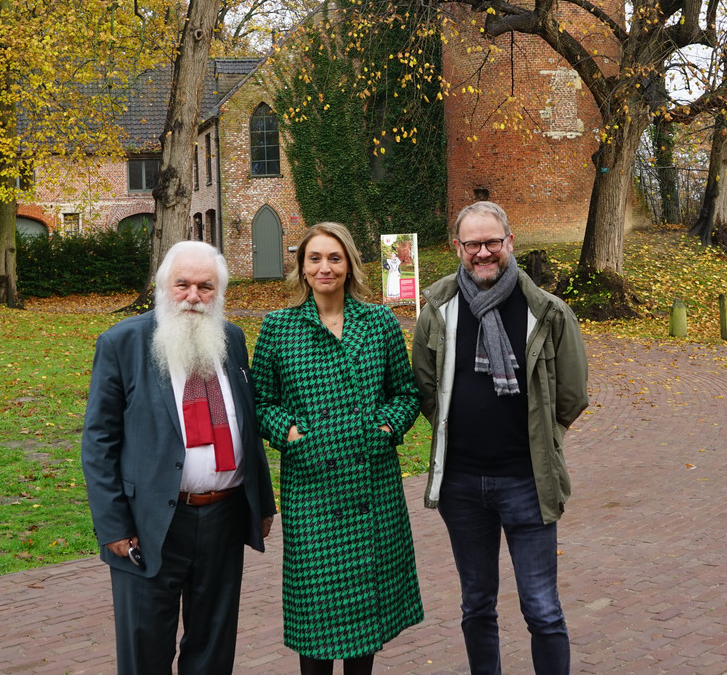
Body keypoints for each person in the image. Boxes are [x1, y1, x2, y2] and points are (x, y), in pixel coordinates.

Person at [82, 240, 277, 675]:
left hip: (224, 519)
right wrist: (114, 525)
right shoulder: (123, 342)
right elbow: (98, 441)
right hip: (149, 525)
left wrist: (261, 502)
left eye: (205, 287)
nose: (193, 296)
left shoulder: (231, 338)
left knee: (212, 650)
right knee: (145, 651)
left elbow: (247, 423)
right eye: (182, 284)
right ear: (162, 286)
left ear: (219, 292)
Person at [413, 201, 589, 675]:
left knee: (542, 609)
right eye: (473, 244)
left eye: (492, 242)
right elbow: (427, 389)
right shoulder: (438, 310)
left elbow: (572, 394)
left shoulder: (547, 312)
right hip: (462, 486)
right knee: (477, 605)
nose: (483, 252)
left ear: (510, 242)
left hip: (528, 482)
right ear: (458, 247)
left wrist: (544, 439)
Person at [251, 222, 424, 675]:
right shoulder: (279, 327)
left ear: (349, 265)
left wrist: (386, 427)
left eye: (334, 258)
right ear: (302, 267)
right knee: (317, 614)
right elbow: (261, 403)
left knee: (365, 615)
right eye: (315, 259)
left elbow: (406, 393)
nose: (324, 267)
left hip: (372, 485)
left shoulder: (379, 322)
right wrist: (291, 433)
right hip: (313, 491)